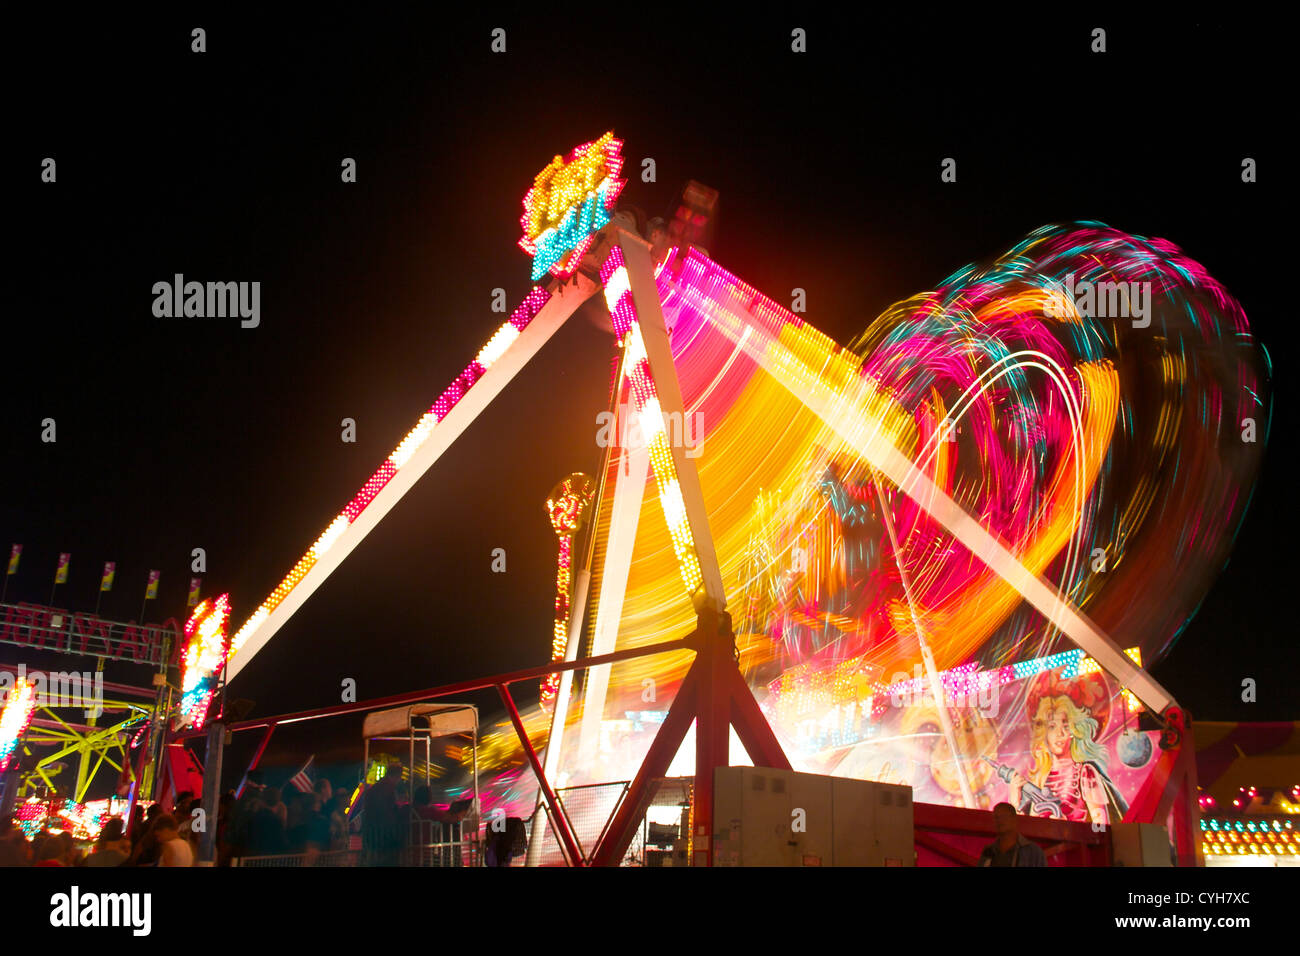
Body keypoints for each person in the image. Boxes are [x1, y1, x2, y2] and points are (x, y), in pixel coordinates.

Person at [978, 802, 1046, 867]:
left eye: (1004, 816)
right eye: (996, 817)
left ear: (1014, 819)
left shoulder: (1033, 852)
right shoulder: (988, 851)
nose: (1000, 821)